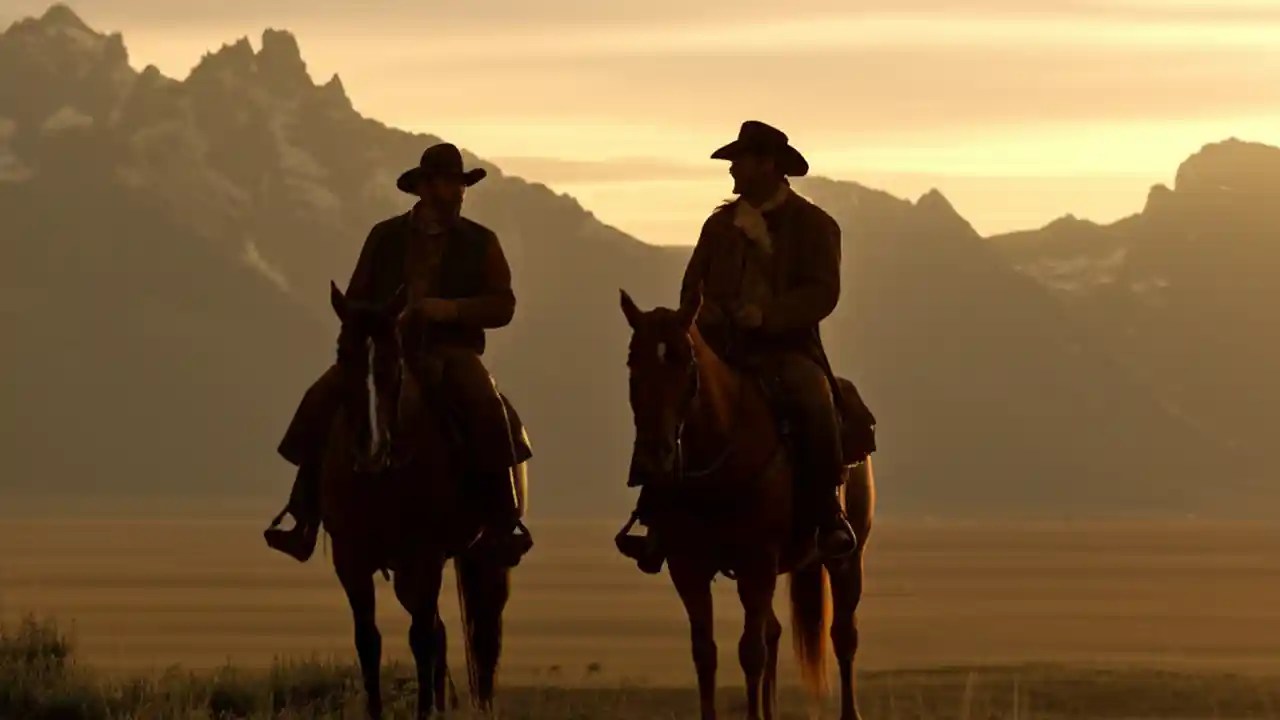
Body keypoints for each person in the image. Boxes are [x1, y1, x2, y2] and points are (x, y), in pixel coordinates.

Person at [264, 142, 531, 565]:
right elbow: (356, 298)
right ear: (423, 188)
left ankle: (502, 522)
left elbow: (503, 305)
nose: (456, 194)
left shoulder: (482, 242)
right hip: (385, 347)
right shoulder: (384, 237)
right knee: (320, 399)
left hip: (452, 350)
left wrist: (450, 310)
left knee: (485, 404)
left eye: (459, 186)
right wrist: (378, 323)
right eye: (447, 184)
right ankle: (304, 515)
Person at [617, 120, 858, 573]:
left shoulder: (814, 225)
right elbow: (694, 287)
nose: (732, 172)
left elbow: (823, 292)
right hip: (721, 347)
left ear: (766, 165)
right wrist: (705, 318)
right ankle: (656, 513)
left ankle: (828, 513)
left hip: (787, 350)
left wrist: (767, 317)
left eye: (739, 161)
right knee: (667, 399)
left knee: (814, 398)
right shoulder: (719, 226)